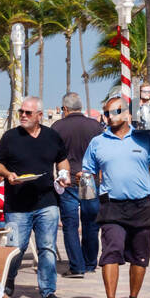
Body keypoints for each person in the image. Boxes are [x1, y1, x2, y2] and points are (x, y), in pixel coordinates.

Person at [79, 92, 150, 298]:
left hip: (141, 205)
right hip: (111, 206)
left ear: (127, 113)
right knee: (111, 252)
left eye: (115, 111)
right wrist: (83, 191)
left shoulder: (143, 139)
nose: (109, 116)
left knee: (140, 257)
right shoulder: (98, 142)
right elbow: (87, 170)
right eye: (107, 113)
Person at [0, 96, 69, 298]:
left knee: (47, 247)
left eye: (28, 113)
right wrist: (8, 174)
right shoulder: (10, 137)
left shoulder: (52, 136)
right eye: (21, 112)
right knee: (16, 248)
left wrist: (64, 174)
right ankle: (8, 282)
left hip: (47, 201)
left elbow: (62, 160)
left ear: (40, 116)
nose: (23, 116)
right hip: (17, 204)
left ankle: (47, 289)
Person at [51, 92, 103, 279]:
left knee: (70, 225)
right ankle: (89, 262)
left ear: (65, 109)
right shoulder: (95, 126)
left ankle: (76, 266)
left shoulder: (57, 127)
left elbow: (51, 156)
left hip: (68, 181)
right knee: (90, 223)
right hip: (88, 179)